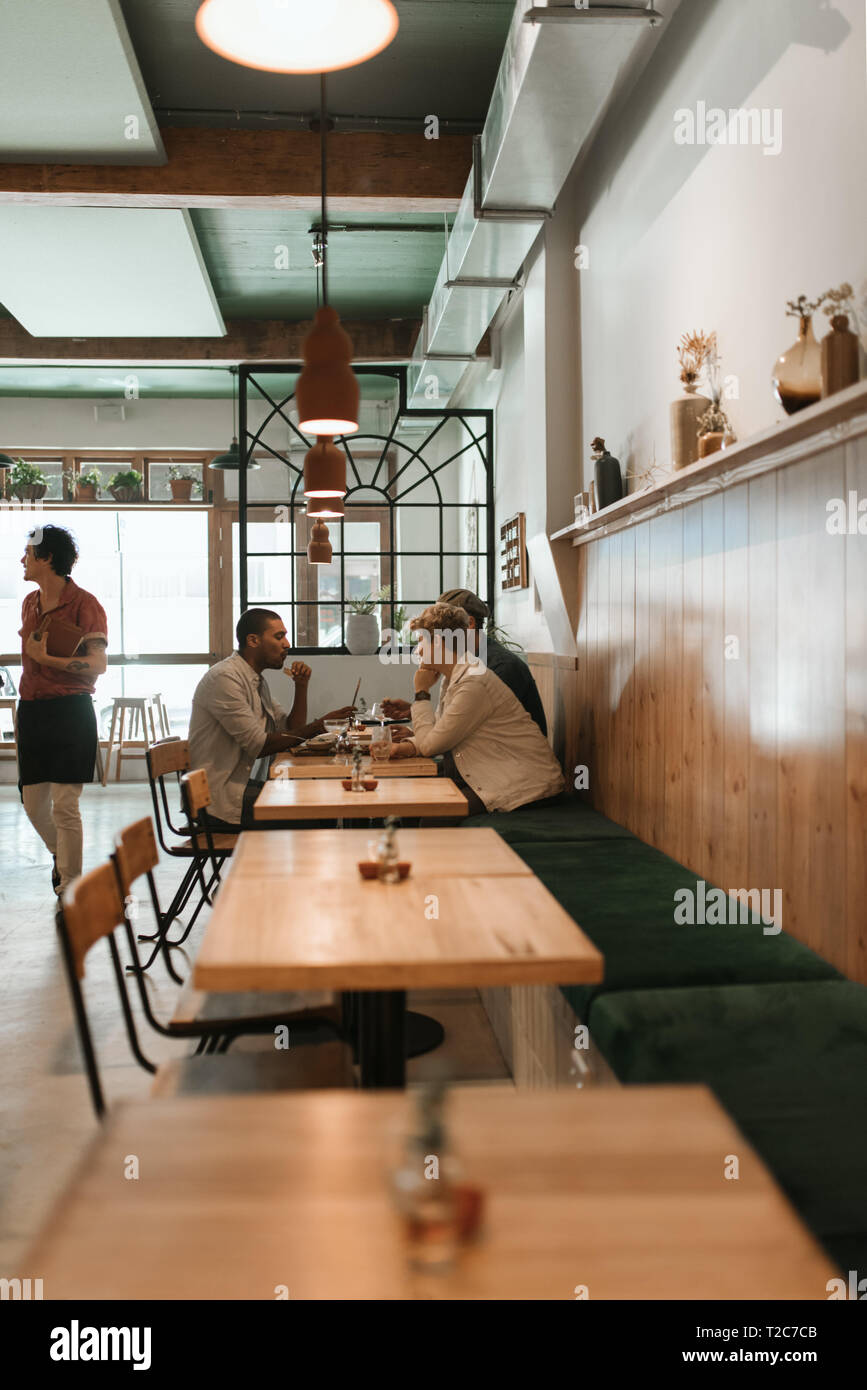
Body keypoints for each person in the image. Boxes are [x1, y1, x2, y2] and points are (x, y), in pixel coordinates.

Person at [388, 603, 564, 814]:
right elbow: (439, 732)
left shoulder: (473, 682)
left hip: (527, 786)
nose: (418, 650)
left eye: (420, 641)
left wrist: (422, 691)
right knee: (418, 802)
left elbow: (430, 746)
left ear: (436, 642)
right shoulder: (455, 677)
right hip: (497, 775)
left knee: (434, 814)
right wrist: (405, 747)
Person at [188, 608, 354, 830]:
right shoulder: (225, 679)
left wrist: (301, 686)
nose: (287, 644)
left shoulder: (256, 681)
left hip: (240, 788)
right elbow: (259, 745)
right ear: (253, 640)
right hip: (217, 802)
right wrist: (319, 725)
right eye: (279, 636)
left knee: (326, 802)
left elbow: (290, 729)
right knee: (320, 810)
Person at [17, 524, 108, 896]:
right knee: (33, 802)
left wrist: (46, 658)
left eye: (28, 553)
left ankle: (71, 886)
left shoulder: (85, 604)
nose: (22, 559)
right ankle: (61, 854)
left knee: (65, 804)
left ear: (47, 557)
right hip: (34, 710)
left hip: (72, 710)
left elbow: (99, 664)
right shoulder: (29, 603)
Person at [381, 588, 547, 737]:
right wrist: (413, 713)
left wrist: (421, 694)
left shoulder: (499, 667)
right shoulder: (463, 662)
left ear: (469, 623)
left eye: (439, 625)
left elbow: (464, 732)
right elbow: (459, 721)